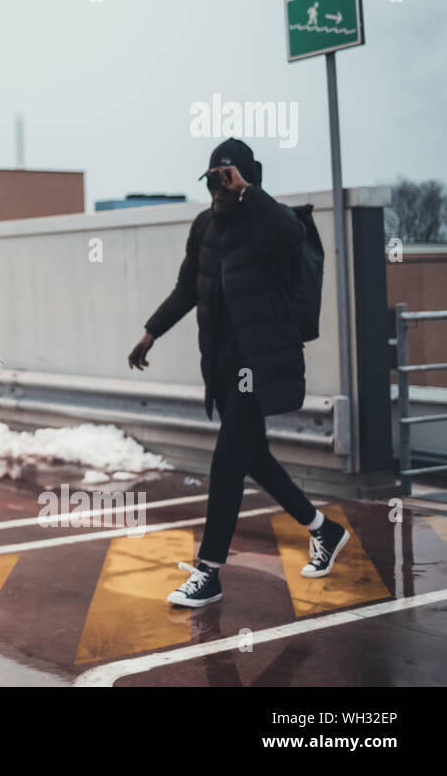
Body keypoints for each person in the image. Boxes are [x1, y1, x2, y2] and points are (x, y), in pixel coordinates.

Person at [128, 138, 349, 607]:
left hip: (260, 364)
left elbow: (290, 234)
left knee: (227, 463)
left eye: (225, 179)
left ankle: (209, 572)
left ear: (246, 180)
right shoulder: (206, 225)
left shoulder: (270, 223)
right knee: (253, 458)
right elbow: (188, 287)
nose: (217, 188)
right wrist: (151, 332)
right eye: (212, 179)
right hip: (224, 366)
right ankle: (323, 530)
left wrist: (248, 190)